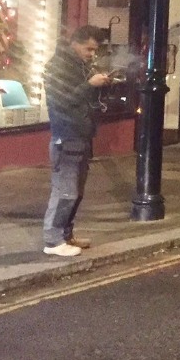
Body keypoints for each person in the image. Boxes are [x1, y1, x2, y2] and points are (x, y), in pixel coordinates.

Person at [41, 26, 111, 256]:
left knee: (76, 192)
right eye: (88, 49)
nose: (92, 54)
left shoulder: (79, 66)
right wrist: (90, 84)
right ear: (75, 43)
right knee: (65, 191)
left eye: (95, 50)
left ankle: (66, 236)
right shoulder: (59, 67)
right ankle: (53, 241)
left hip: (80, 135)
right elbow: (63, 101)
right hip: (67, 134)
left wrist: (98, 85)